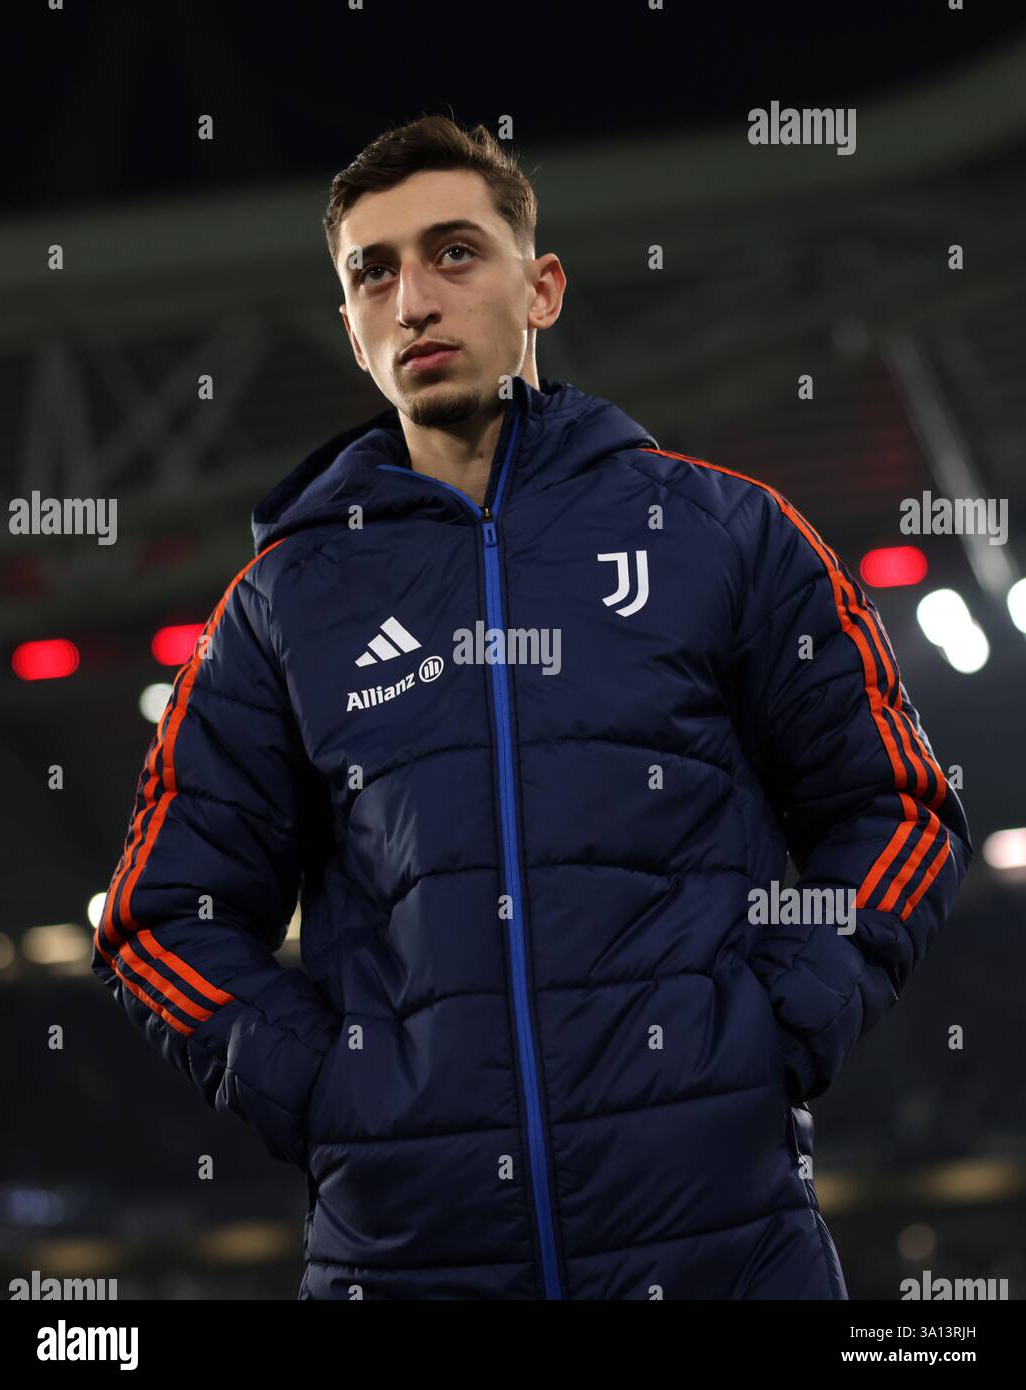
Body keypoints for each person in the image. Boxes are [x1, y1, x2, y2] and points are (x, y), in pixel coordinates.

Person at [91, 115, 971, 1300]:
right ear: (352, 329)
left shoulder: (723, 533)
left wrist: (776, 1027)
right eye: (374, 273)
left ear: (541, 288)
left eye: (454, 253)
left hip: (720, 1250)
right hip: (406, 1264)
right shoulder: (282, 603)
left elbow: (896, 809)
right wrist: (335, 1093)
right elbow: (158, 917)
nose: (414, 300)